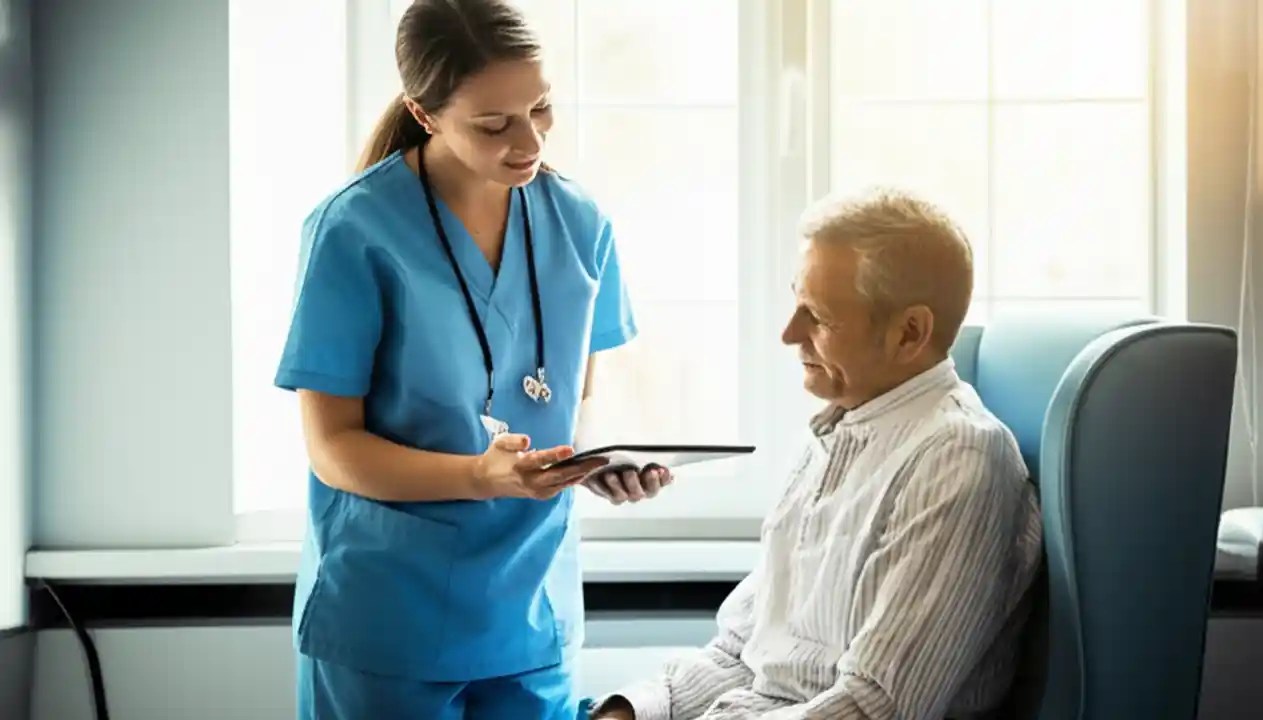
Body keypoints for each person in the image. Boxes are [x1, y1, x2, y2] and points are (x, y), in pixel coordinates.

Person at [274, 1, 672, 717]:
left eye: (541, 108)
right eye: (494, 124)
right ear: (425, 115)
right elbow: (333, 449)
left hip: (530, 613)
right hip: (388, 618)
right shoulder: (354, 230)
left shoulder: (580, 222)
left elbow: (571, 404)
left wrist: (601, 465)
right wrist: (480, 477)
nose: (530, 141)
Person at [589, 189, 1044, 719]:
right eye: (795, 303)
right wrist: (629, 712)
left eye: (819, 317)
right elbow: (743, 653)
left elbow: (875, 708)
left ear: (910, 332)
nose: (788, 333)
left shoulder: (958, 459)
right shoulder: (832, 437)